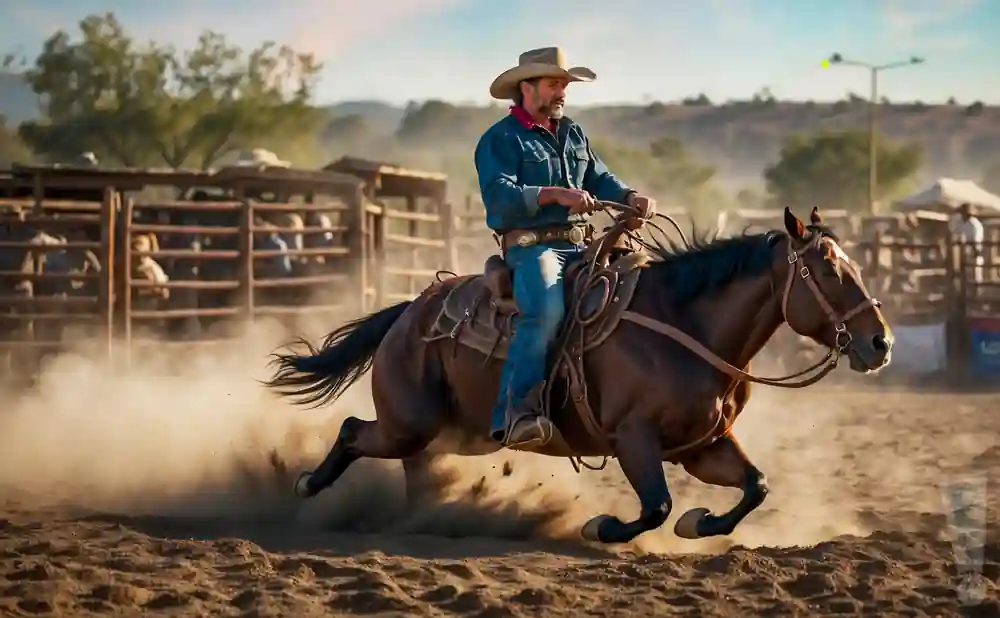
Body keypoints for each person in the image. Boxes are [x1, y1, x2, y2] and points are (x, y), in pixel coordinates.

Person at [474, 46, 656, 449]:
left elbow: (599, 177)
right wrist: (555, 194)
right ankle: (515, 412)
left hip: (583, 244)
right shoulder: (500, 139)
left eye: (564, 85)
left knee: (645, 286)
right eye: (554, 84)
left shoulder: (573, 132)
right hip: (532, 248)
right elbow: (499, 196)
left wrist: (630, 196)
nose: (562, 93)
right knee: (545, 311)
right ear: (527, 87)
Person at [950, 202, 984, 284]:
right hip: (964, 255)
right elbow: (955, 234)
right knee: (964, 279)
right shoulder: (961, 224)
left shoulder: (974, 225)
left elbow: (975, 242)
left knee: (974, 279)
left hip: (973, 254)